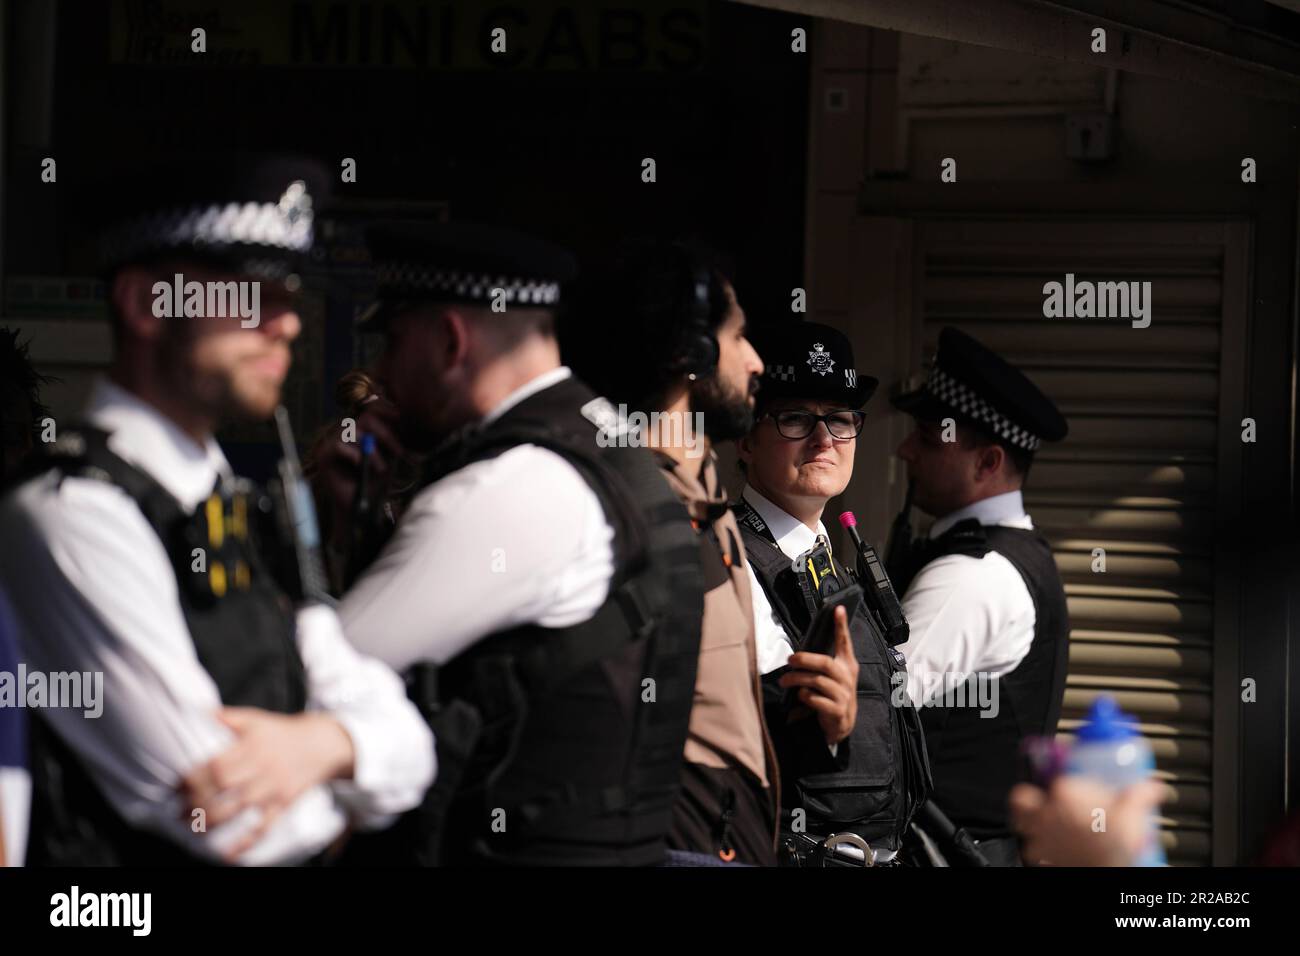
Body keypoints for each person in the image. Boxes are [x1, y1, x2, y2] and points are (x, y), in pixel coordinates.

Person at [0, 158, 435, 865]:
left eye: (289, 293)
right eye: (250, 291)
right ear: (147, 304)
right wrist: (357, 777)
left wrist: (333, 743)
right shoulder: (70, 514)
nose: (288, 322)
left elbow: (409, 742)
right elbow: (222, 819)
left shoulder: (230, 500)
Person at [317, 221, 704, 866]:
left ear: (448, 340)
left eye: (392, 340)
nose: (381, 370)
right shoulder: (602, 440)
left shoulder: (506, 485)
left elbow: (326, 681)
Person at [566, 239, 858, 866]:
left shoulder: (708, 508)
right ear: (690, 353)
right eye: (740, 337)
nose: (756, 361)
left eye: (840, 418)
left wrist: (825, 719)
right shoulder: (617, 502)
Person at [734, 321, 930, 866]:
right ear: (746, 438)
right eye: (795, 417)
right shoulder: (726, 560)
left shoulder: (837, 565)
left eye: (840, 420)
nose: (824, 439)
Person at [888, 326, 1070, 865]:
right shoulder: (1017, 555)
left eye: (926, 437)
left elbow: (868, 714)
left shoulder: (971, 575)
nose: (904, 451)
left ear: (988, 462)